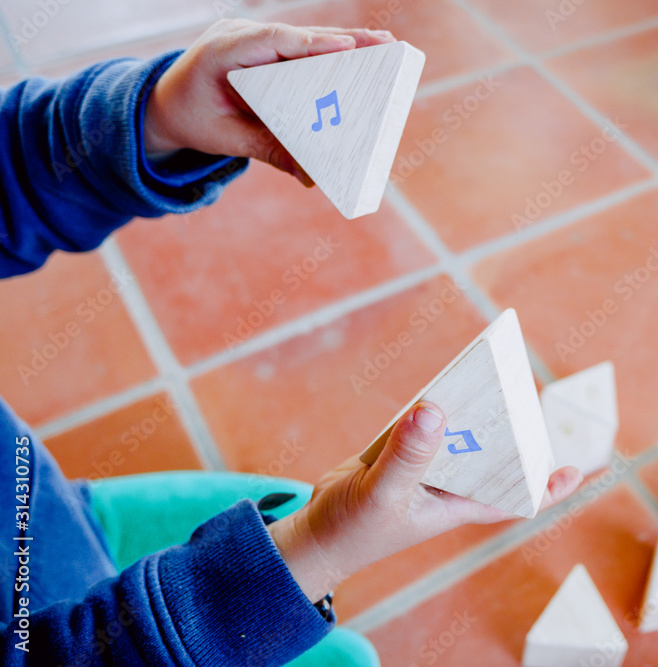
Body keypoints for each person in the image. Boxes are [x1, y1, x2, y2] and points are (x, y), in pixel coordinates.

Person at [0, 19, 582, 665]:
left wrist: (156, 117)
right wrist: (318, 549)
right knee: (344, 642)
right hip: (63, 634)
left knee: (304, 510)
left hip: (34, 509)